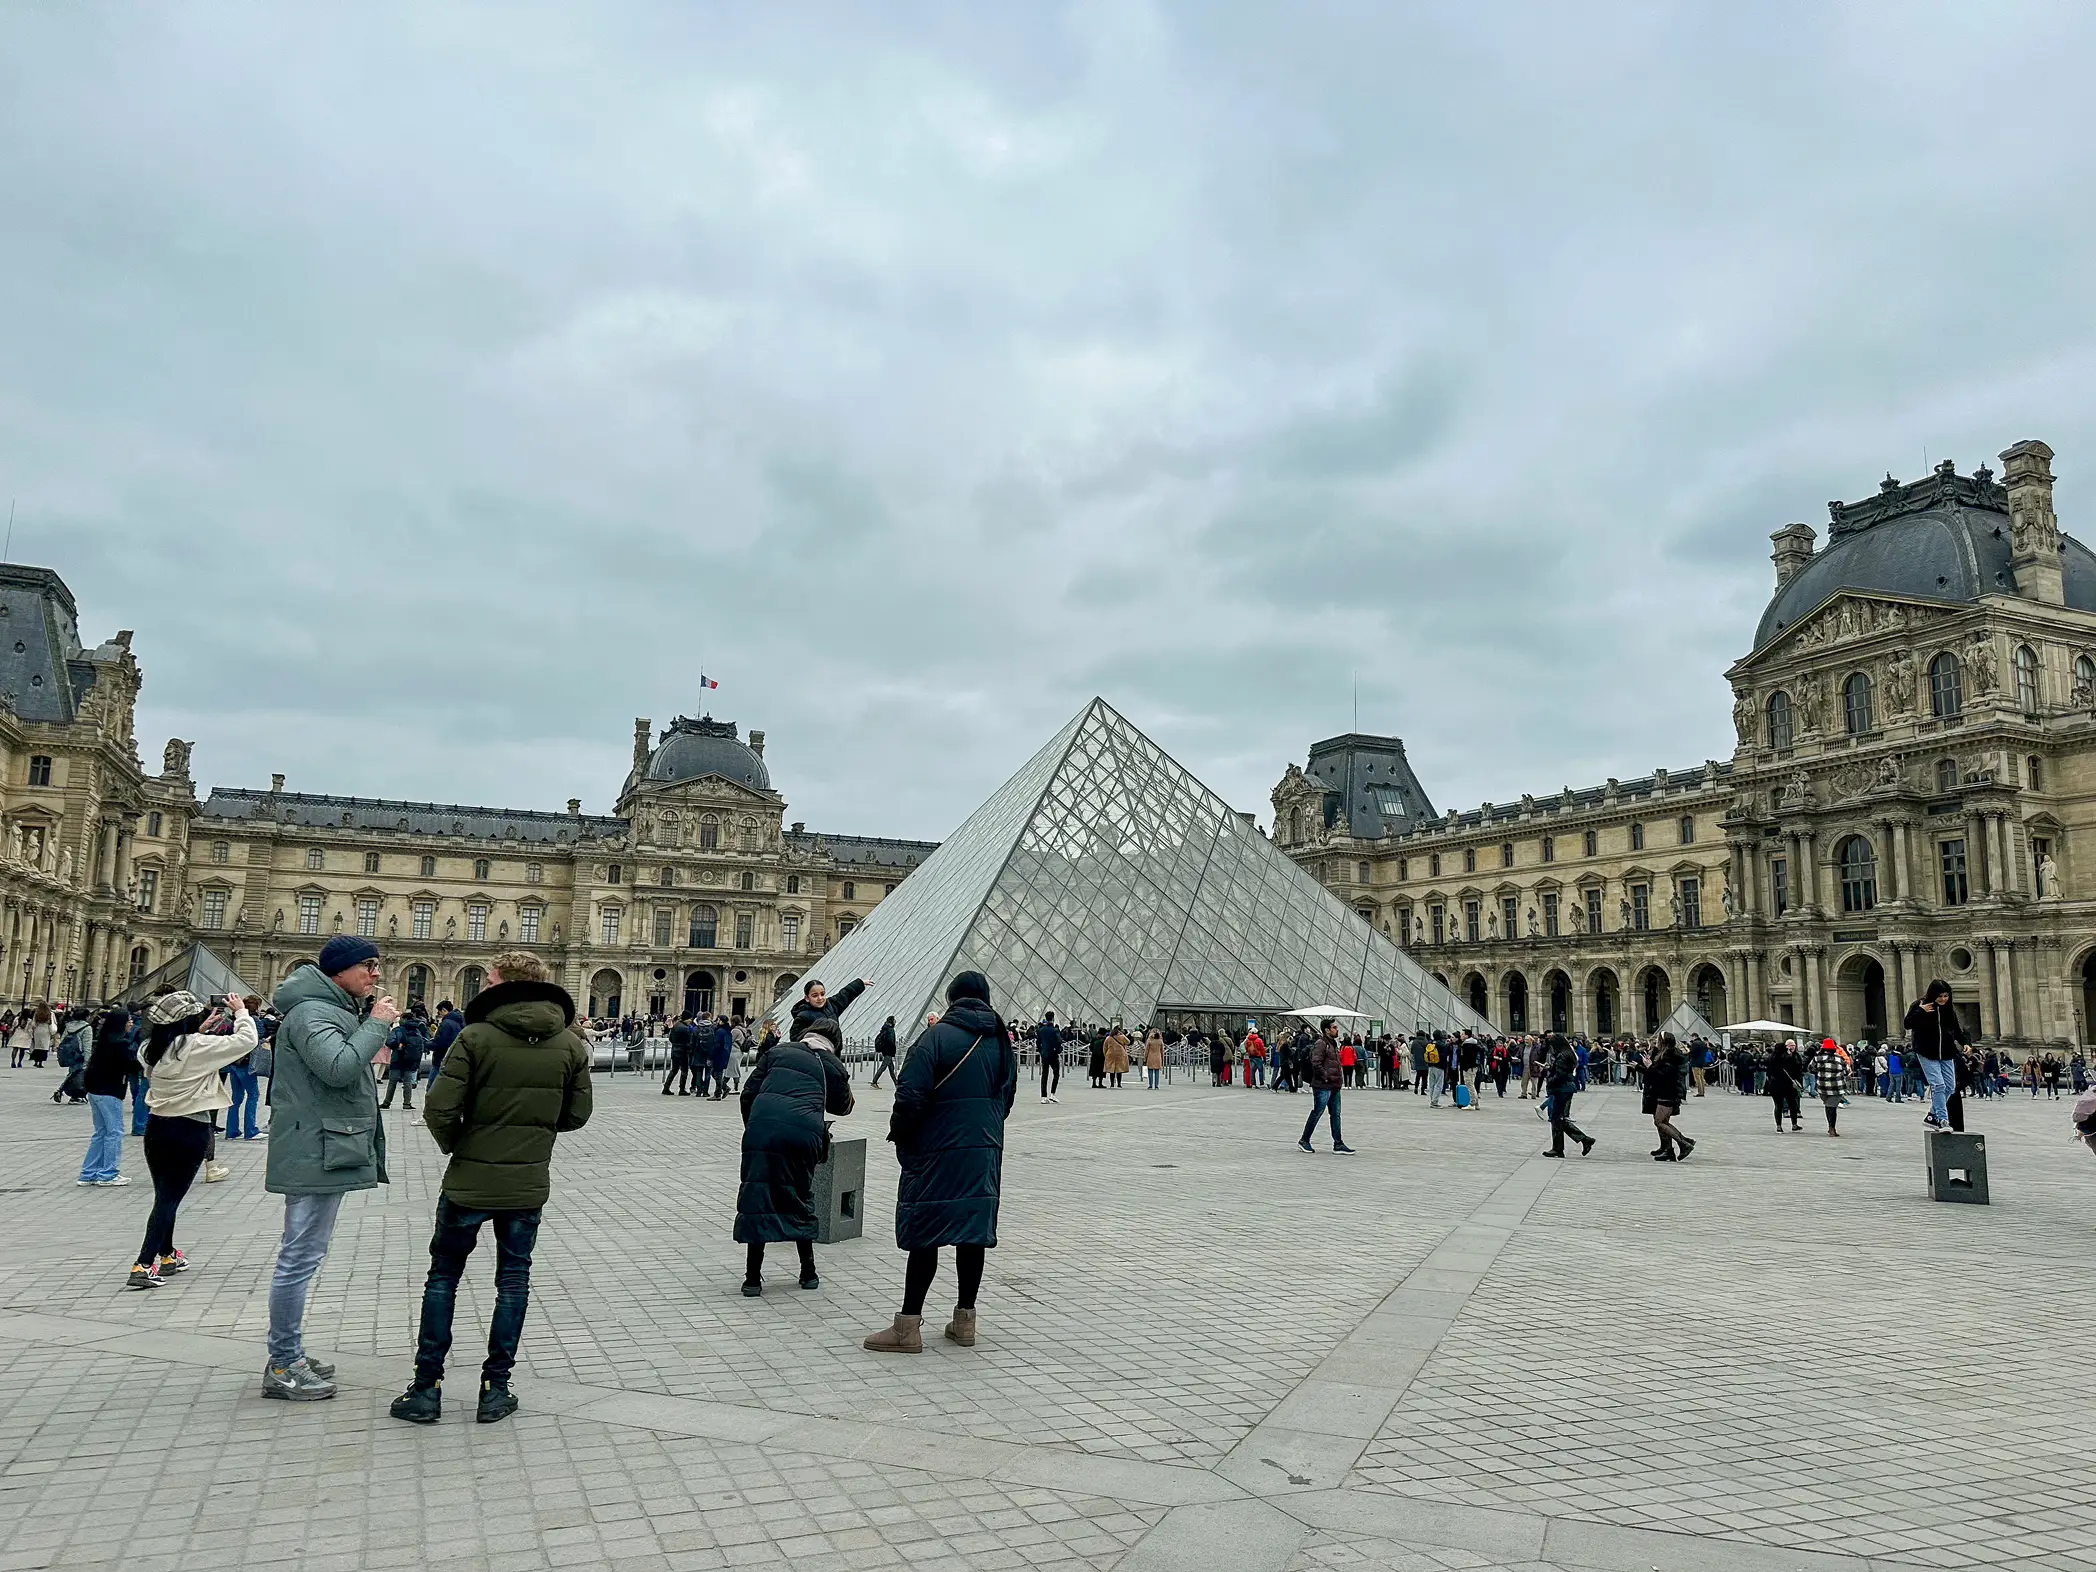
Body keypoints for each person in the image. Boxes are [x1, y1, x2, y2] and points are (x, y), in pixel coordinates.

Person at [390, 952, 591, 1426]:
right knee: (513, 1282)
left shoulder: (473, 1036)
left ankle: (426, 1388)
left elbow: (438, 1106)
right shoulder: (568, 1044)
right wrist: (533, 1133)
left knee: (444, 1278)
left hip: (467, 1183)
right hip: (526, 1183)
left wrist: (462, 1145)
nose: (483, 984)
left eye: (490, 978)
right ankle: (495, 1389)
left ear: (504, 984)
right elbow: (576, 1115)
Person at [263, 935, 400, 1402]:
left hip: (322, 1145)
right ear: (339, 971)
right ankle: (284, 1363)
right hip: (313, 1148)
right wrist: (377, 1025)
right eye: (368, 965)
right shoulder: (312, 1012)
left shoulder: (328, 1008)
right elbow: (338, 1068)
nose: (376, 974)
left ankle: (290, 1353)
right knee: (299, 1257)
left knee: (304, 1254)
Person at [864, 972, 1018, 1354]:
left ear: (951, 999)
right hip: (982, 1149)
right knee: (972, 1233)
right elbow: (1007, 1100)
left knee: (926, 1232)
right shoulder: (1001, 1041)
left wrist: (901, 1137)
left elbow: (910, 1097)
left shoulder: (934, 1038)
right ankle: (965, 1321)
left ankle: (907, 1327)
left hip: (936, 1147)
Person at [734, 982, 860, 1295]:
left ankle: (752, 1279)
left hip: (762, 1133)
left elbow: (748, 1093)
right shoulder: (831, 1063)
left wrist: (754, 1127)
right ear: (835, 1042)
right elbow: (843, 1107)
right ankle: (808, 1274)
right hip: (803, 1135)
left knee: (758, 1199)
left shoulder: (778, 1051)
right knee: (800, 1197)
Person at [126, 992, 258, 1289]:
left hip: (157, 1127)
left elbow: (178, 1050)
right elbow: (245, 1041)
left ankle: (168, 1255)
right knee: (169, 1200)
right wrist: (241, 1013)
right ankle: (143, 1264)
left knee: (164, 1196)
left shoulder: (149, 1048)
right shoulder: (197, 1046)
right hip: (190, 1129)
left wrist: (197, 1032)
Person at [78, 1009, 141, 1186]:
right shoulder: (119, 1043)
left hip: (95, 1090)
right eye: (128, 1020)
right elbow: (129, 1066)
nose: (131, 1023)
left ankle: (88, 1173)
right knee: (115, 1132)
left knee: (101, 1132)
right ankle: (108, 1173)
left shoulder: (105, 1040)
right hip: (109, 1091)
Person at [1904, 980, 1965, 1131]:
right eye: (1940, 996)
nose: (1943, 999)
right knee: (1938, 1085)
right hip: (1926, 1051)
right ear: (1932, 995)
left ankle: (1932, 1115)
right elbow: (1907, 1023)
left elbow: (1956, 1029)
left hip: (1946, 1051)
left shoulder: (1948, 1009)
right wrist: (1921, 1011)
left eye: (1946, 996)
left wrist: (1965, 1042)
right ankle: (1942, 1120)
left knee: (1950, 1087)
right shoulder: (1919, 1004)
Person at [1297, 1019, 1356, 1155]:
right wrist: (1326, 1076)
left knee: (1335, 1114)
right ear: (1327, 1030)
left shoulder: (1333, 1044)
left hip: (1334, 1085)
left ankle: (1338, 1144)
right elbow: (1316, 1062)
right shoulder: (1321, 1043)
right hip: (1323, 1085)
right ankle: (1304, 1140)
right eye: (1334, 1027)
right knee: (1317, 1112)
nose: (1337, 1029)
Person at [1542, 1032, 1595, 1158]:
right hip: (1566, 1088)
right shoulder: (1568, 1054)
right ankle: (1579, 1141)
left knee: (1557, 1118)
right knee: (1559, 1119)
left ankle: (1563, 1146)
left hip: (1562, 1089)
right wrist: (1551, 1068)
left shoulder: (1562, 1056)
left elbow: (1561, 1075)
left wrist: (1550, 1079)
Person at [1646, 1033, 1696, 1161]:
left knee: (1660, 1122)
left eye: (1658, 1040)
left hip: (1667, 1092)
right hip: (1664, 1092)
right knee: (1662, 1122)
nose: (1656, 1041)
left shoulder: (1669, 1057)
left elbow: (1665, 1075)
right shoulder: (1666, 1054)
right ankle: (1676, 1145)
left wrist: (1649, 1066)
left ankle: (1683, 1143)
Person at [222, 998, 265, 1139]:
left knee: (236, 1098)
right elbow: (258, 1039)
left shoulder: (234, 1021)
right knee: (253, 1095)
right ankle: (250, 1130)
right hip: (247, 1063)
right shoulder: (255, 1021)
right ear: (257, 1007)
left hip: (234, 1062)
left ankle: (232, 1131)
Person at [381, 1006, 429, 1111]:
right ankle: (407, 1103)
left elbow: (389, 1042)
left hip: (398, 1058)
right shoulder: (416, 1031)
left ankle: (387, 1102)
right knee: (407, 1082)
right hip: (411, 1060)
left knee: (392, 1082)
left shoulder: (398, 1030)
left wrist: (397, 1046)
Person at [1806, 1038, 1850, 1136]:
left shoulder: (1818, 1057)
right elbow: (1847, 1071)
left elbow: (1810, 1068)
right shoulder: (1839, 1058)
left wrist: (1820, 1072)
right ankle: (1832, 1127)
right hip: (1836, 1086)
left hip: (1822, 1086)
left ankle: (1830, 1126)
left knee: (1828, 1106)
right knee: (1832, 1108)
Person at [1765, 1038, 1805, 1133]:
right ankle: (1794, 1124)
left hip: (1775, 1085)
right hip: (1788, 1085)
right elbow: (1796, 1071)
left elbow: (1768, 1072)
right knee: (1792, 1104)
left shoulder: (1770, 1059)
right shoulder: (1788, 1058)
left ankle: (1779, 1126)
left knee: (1778, 1106)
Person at [53, 1007, 92, 1104]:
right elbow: (87, 1045)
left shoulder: (69, 1026)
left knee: (72, 1073)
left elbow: (63, 1040)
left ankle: (62, 1091)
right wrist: (87, 1060)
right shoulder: (87, 1028)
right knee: (78, 1075)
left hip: (70, 1054)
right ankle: (75, 1096)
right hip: (80, 1055)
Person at [427, 999, 465, 1085]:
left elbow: (440, 1043)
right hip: (452, 1058)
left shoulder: (446, 1023)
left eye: (439, 1012)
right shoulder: (459, 1021)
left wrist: (426, 1044)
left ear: (444, 1010)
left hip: (441, 1058)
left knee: (432, 1086)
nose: (439, 1014)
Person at [663, 1013, 698, 1095]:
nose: (691, 1021)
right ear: (686, 1019)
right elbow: (690, 1041)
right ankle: (682, 1089)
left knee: (674, 1070)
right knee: (684, 1070)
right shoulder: (686, 1029)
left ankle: (666, 1087)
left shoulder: (676, 1025)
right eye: (690, 1019)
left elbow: (671, 1038)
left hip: (675, 1050)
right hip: (683, 1051)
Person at [1034, 1012, 1060, 1103]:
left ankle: (1043, 1096)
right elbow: (1058, 1042)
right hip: (1053, 1054)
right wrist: (1058, 1051)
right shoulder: (1055, 1030)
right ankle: (1052, 1094)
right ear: (1053, 1018)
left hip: (1044, 1054)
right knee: (1056, 1074)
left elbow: (1038, 1042)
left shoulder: (1041, 1030)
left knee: (1044, 1074)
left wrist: (1041, 1051)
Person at [872, 1015, 900, 1090]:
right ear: (891, 1022)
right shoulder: (890, 1030)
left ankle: (896, 1083)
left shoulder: (885, 1029)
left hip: (885, 1051)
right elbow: (890, 1042)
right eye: (894, 1020)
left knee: (891, 1068)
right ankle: (874, 1081)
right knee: (883, 1067)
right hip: (889, 1051)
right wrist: (893, 1050)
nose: (895, 1022)